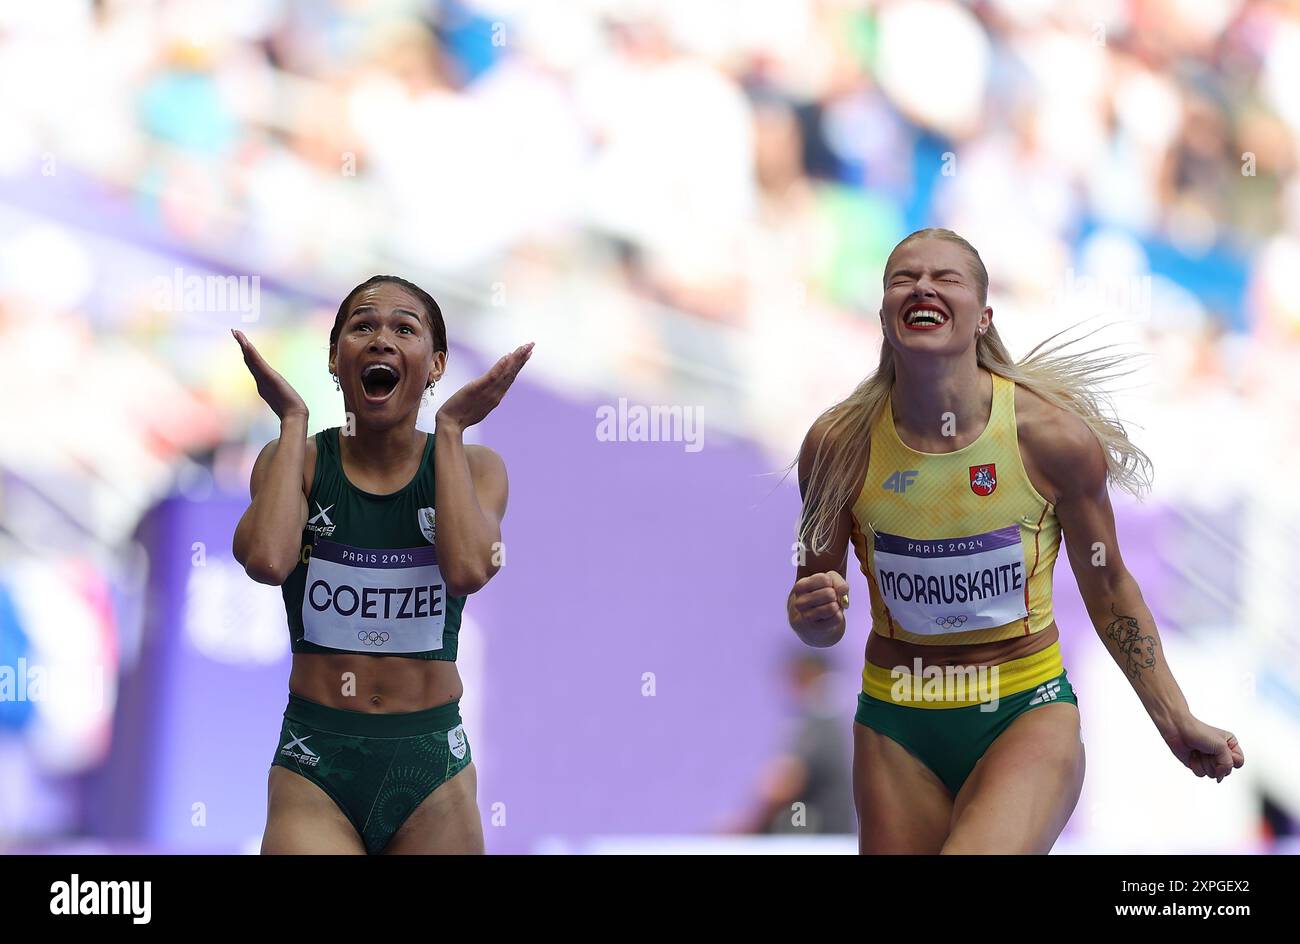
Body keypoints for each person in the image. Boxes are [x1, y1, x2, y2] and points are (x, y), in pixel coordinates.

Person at [787, 228, 1244, 854]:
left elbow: (1109, 588)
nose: (922, 286)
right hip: (898, 722)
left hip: (1023, 712)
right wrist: (811, 615)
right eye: (903, 278)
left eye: (946, 278)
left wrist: (1175, 718)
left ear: (983, 316)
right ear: (886, 315)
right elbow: (817, 618)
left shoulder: (1050, 437)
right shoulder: (837, 445)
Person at [233, 275, 531, 854]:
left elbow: (469, 569)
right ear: (333, 358)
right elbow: (268, 561)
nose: (380, 340)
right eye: (362, 326)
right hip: (316, 761)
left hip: (429, 766)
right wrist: (291, 421)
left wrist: (449, 429)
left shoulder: (477, 467)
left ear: (436, 364)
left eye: (404, 328)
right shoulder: (294, 459)